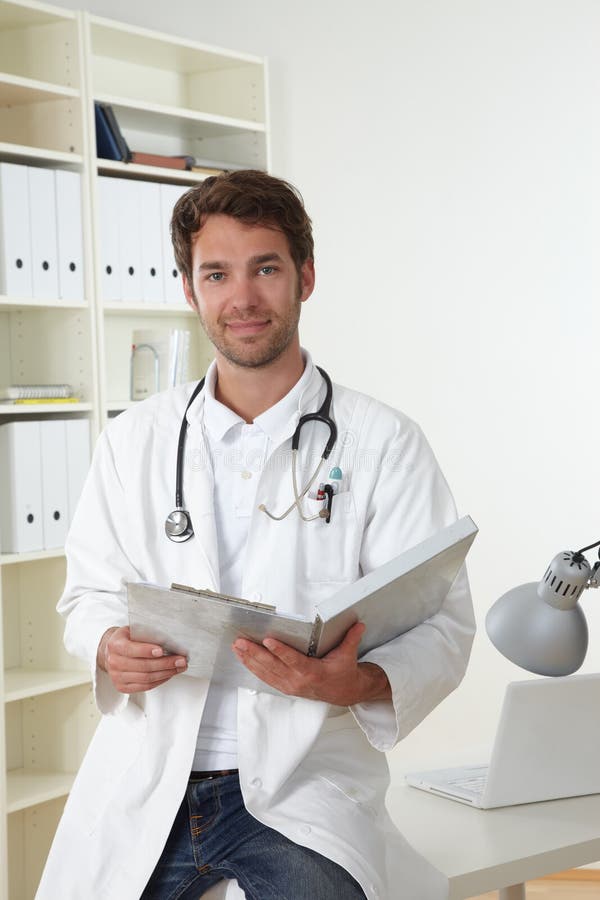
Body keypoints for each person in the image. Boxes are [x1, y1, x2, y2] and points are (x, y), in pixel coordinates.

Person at [37, 170, 475, 900]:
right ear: (189, 289)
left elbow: (444, 621)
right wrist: (110, 646)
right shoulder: (133, 441)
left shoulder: (382, 443)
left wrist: (357, 680)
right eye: (217, 273)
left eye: (265, 268)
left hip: (300, 786)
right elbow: (85, 596)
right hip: (148, 775)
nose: (241, 299)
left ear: (305, 277)